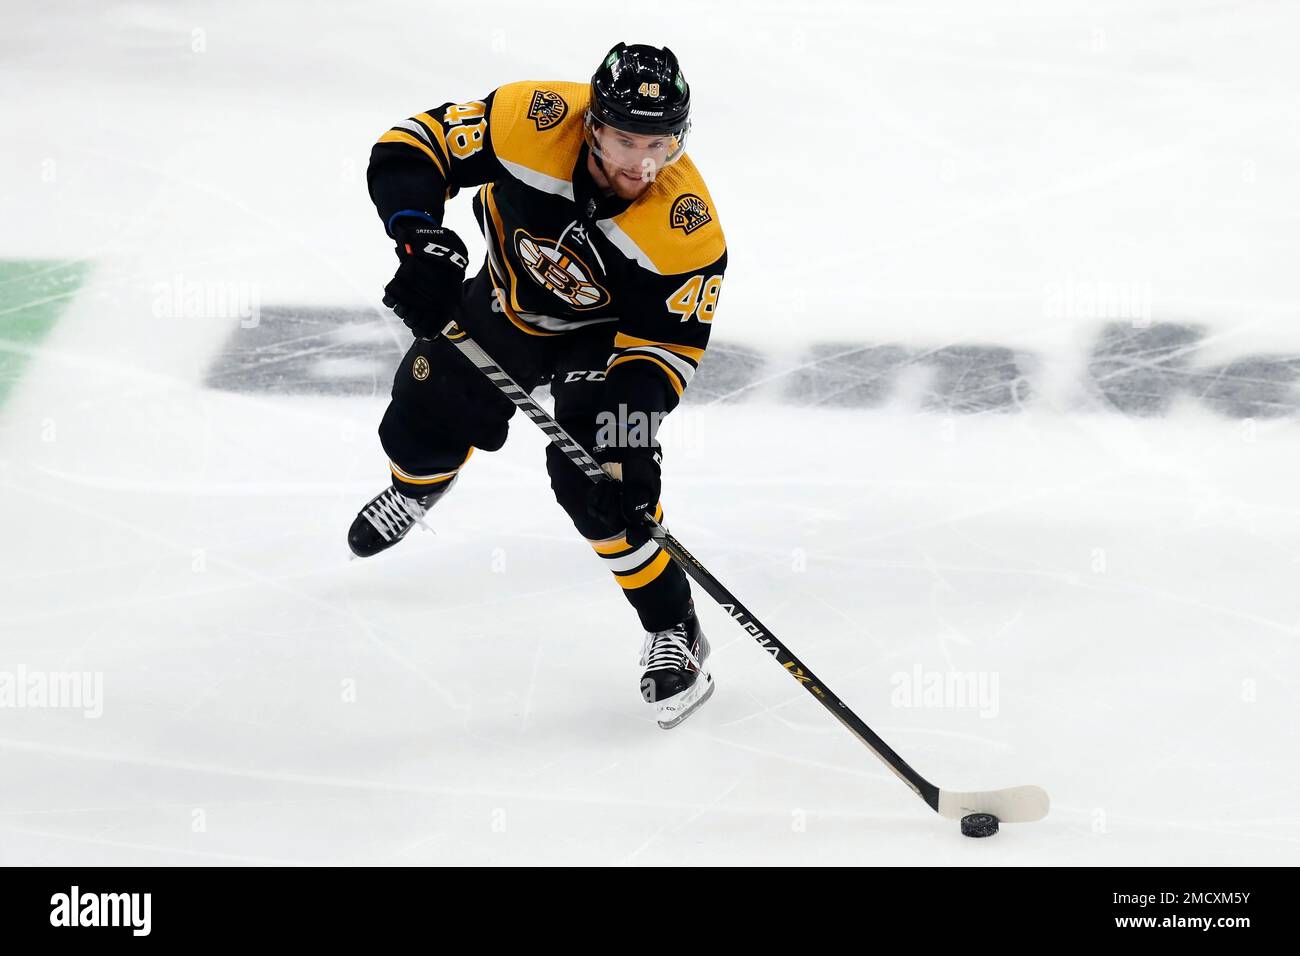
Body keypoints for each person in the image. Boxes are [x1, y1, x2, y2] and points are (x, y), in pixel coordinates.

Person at [350, 42, 727, 729]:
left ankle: (675, 628)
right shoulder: (534, 118)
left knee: (600, 486)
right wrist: (421, 240)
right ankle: (419, 485)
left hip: (605, 342)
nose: (642, 164)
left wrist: (628, 443)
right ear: (592, 126)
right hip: (509, 300)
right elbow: (414, 145)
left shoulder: (683, 230)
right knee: (417, 423)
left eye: (659, 144)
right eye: (623, 140)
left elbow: (663, 349)